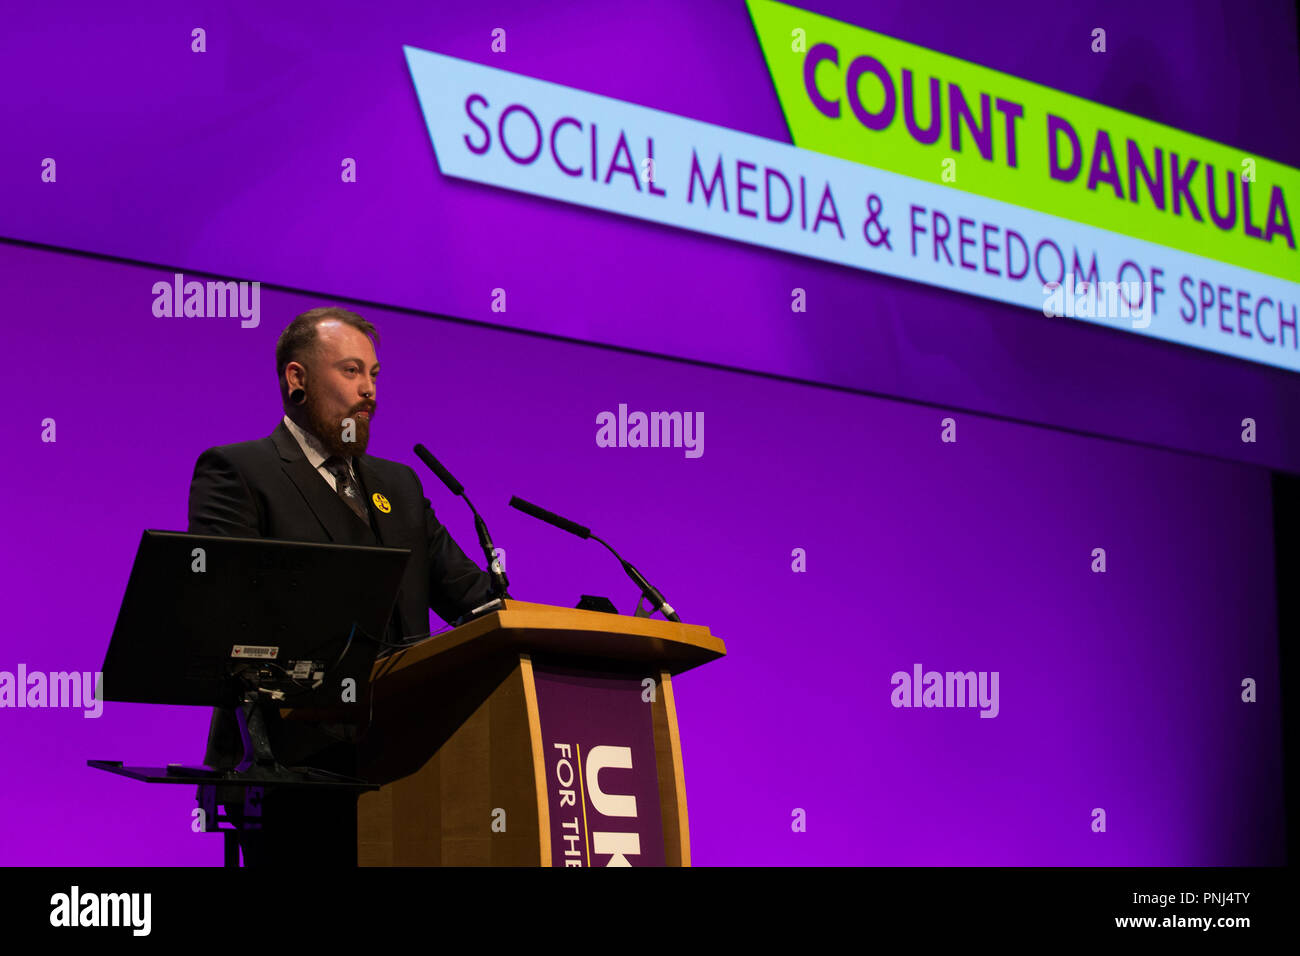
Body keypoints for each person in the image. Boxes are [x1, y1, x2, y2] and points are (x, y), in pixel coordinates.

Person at [186, 306, 496, 865]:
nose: (368, 390)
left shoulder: (399, 485)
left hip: (408, 760)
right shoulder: (240, 473)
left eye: (375, 375)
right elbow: (227, 614)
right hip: (293, 772)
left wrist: (535, 627)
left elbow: (471, 598)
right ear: (297, 378)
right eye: (352, 371)